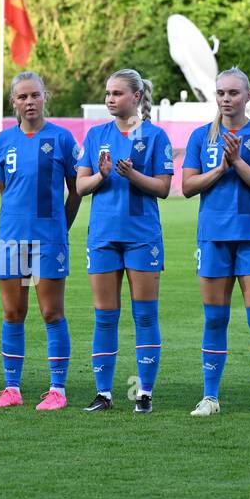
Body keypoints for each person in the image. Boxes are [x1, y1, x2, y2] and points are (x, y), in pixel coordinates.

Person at [181, 67, 250, 418]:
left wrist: (237, 161)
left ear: (248, 96)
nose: (226, 99)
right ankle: (210, 397)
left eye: (234, 93)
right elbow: (187, 187)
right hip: (213, 237)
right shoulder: (201, 136)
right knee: (214, 319)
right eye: (221, 93)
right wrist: (220, 169)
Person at [75, 69, 172, 413]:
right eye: (108, 93)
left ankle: (143, 393)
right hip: (102, 236)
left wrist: (132, 174)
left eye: (117, 93)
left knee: (145, 315)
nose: (110, 99)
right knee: (105, 316)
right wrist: (101, 176)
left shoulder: (155, 136)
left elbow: (163, 188)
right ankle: (104, 394)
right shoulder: (95, 135)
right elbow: (79, 187)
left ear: (136, 97)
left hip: (142, 237)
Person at [0, 71, 82, 410]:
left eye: (35, 96)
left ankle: (57, 389)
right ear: (13, 101)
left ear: (45, 97)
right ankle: (12, 389)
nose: (29, 102)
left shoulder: (62, 139)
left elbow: (76, 191)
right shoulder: (4, 141)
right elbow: (5, 190)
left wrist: (61, 227)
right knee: (12, 312)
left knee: (51, 312)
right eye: (23, 97)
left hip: (49, 240)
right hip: (11, 237)